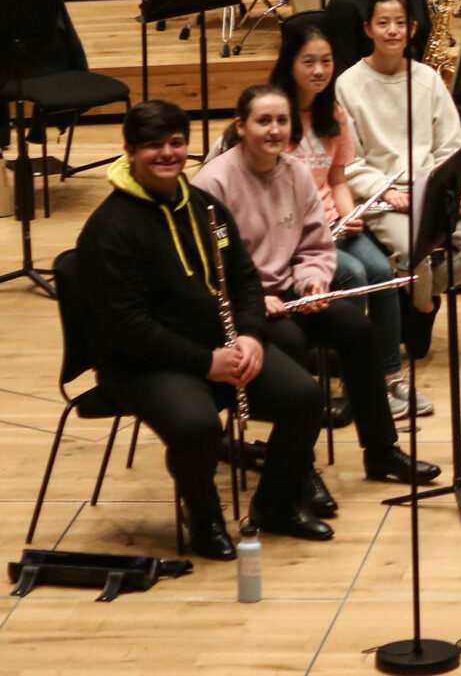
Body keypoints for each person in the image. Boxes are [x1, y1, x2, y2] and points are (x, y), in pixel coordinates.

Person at [76, 100, 331, 559]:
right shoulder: (109, 229)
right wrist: (205, 363)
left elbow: (244, 278)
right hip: (141, 365)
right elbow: (127, 327)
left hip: (219, 347)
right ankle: (204, 513)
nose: (167, 154)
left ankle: (275, 504)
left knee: (305, 398)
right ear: (130, 151)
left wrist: (251, 335)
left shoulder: (203, 207)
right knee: (197, 427)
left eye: (176, 143)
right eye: (153, 146)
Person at [196, 85, 439, 503]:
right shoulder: (212, 185)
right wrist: (251, 302)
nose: (274, 130)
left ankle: (381, 450)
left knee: (357, 329)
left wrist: (313, 281)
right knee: (290, 341)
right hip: (240, 310)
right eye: (263, 121)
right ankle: (298, 467)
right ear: (241, 126)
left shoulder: (294, 173)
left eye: (281, 121)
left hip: (290, 293)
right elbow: (208, 269)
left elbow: (314, 245)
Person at [267, 19, 426, 417]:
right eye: (308, 62)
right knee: (353, 275)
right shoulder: (274, 117)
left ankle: (391, 377)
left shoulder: (333, 112)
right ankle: (356, 384)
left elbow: (337, 177)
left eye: (326, 62)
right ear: (289, 63)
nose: (319, 71)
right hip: (296, 235)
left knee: (383, 273)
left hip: (332, 223)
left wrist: (347, 211)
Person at [337, 0, 461, 316]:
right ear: (368, 28)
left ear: (412, 28)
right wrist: (384, 192)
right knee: (415, 252)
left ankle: (411, 295)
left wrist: (459, 190)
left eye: (400, 23)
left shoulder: (427, 78)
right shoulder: (348, 84)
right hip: (385, 197)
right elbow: (348, 161)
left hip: (432, 192)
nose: (392, 30)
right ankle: (423, 306)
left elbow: (452, 147)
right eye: (383, 22)